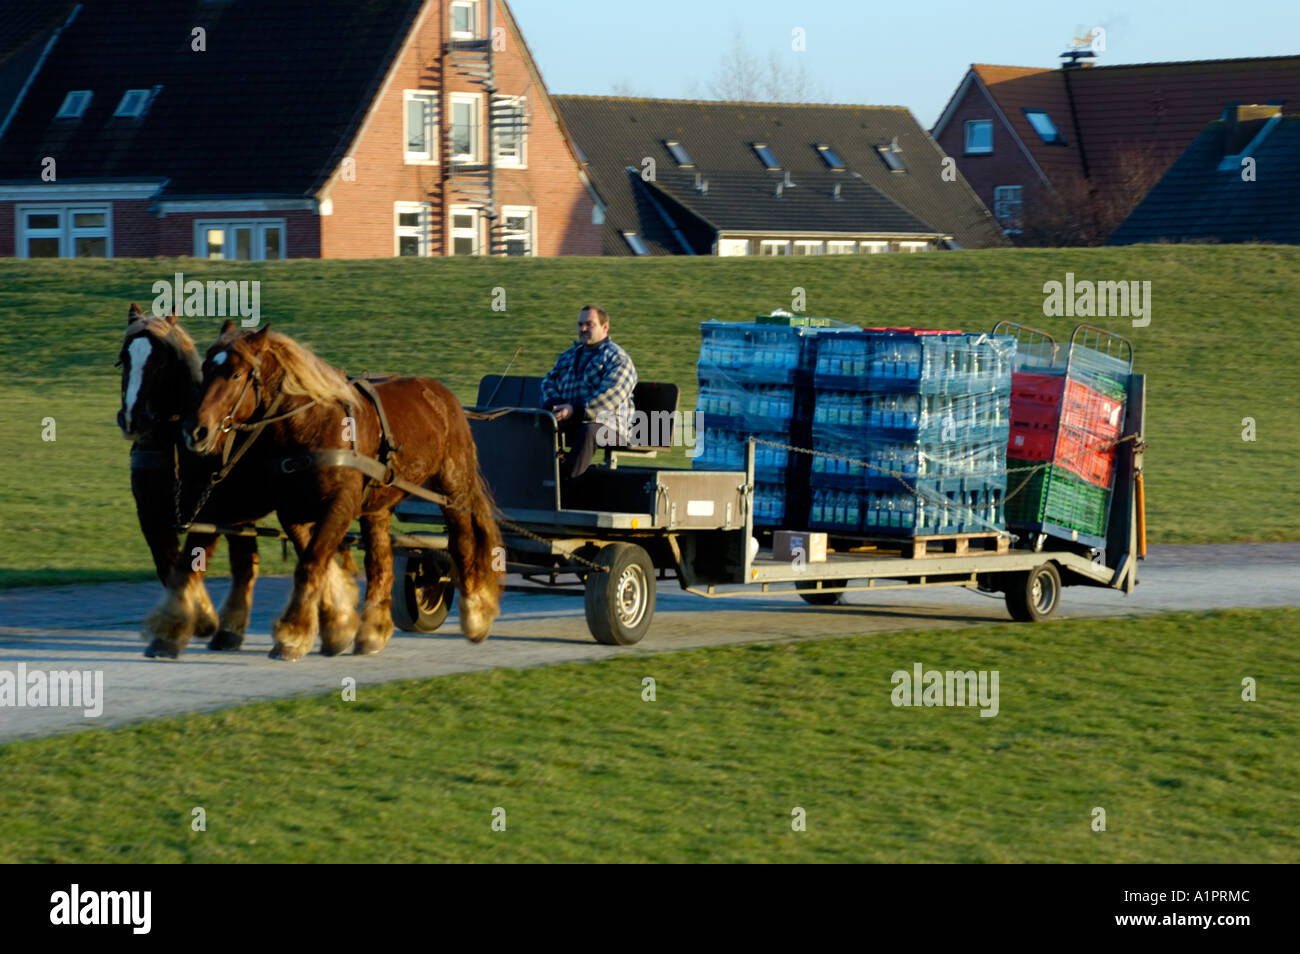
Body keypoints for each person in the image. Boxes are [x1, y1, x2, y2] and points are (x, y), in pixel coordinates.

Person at [540, 305, 637, 479]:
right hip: (570, 419)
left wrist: (574, 410)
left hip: (612, 426)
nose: (583, 329)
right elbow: (549, 381)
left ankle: (566, 488)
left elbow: (609, 398)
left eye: (589, 324)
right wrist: (553, 403)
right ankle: (536, 482)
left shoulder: (618, 359)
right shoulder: (568, 356)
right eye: (580, 324)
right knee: (536, 425)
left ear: (605, 327)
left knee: (590, 432)